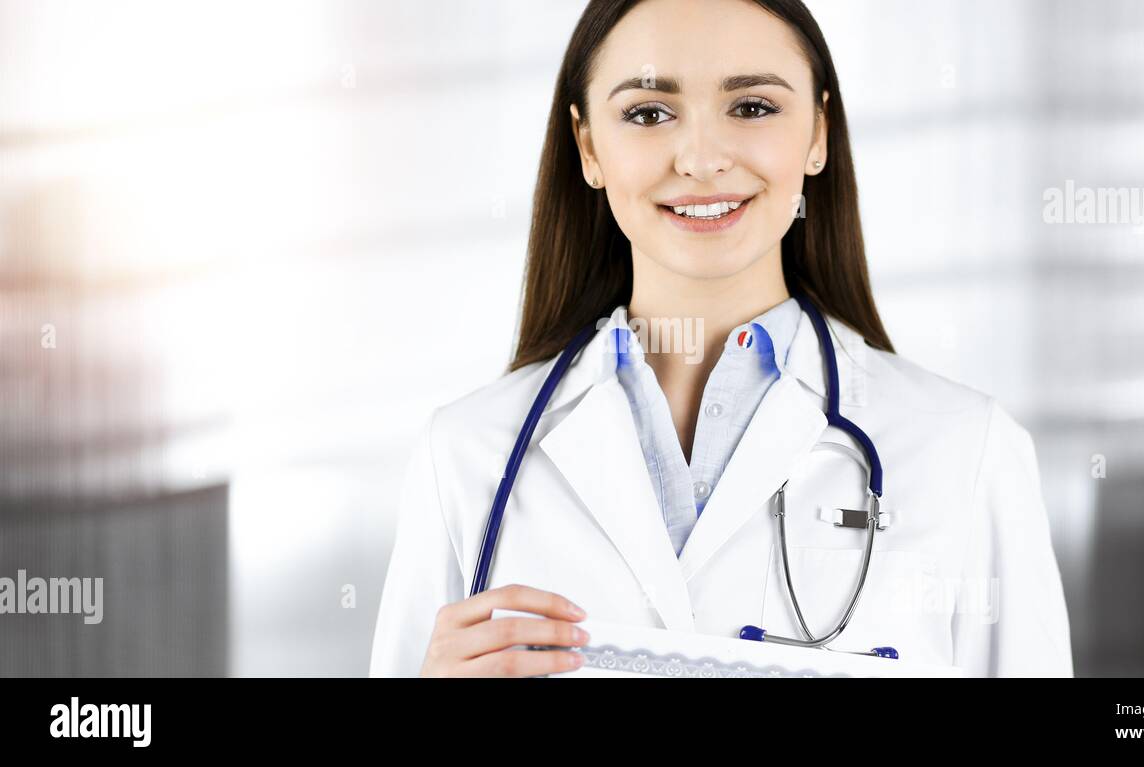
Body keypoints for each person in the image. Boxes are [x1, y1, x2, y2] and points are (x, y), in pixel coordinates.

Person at [370, 0, 1073, 678]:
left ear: (818, 133)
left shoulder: (967, 450)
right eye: (649, 113)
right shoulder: (466, 456)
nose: (701, 160)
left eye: (753, 107)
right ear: (587, 146)